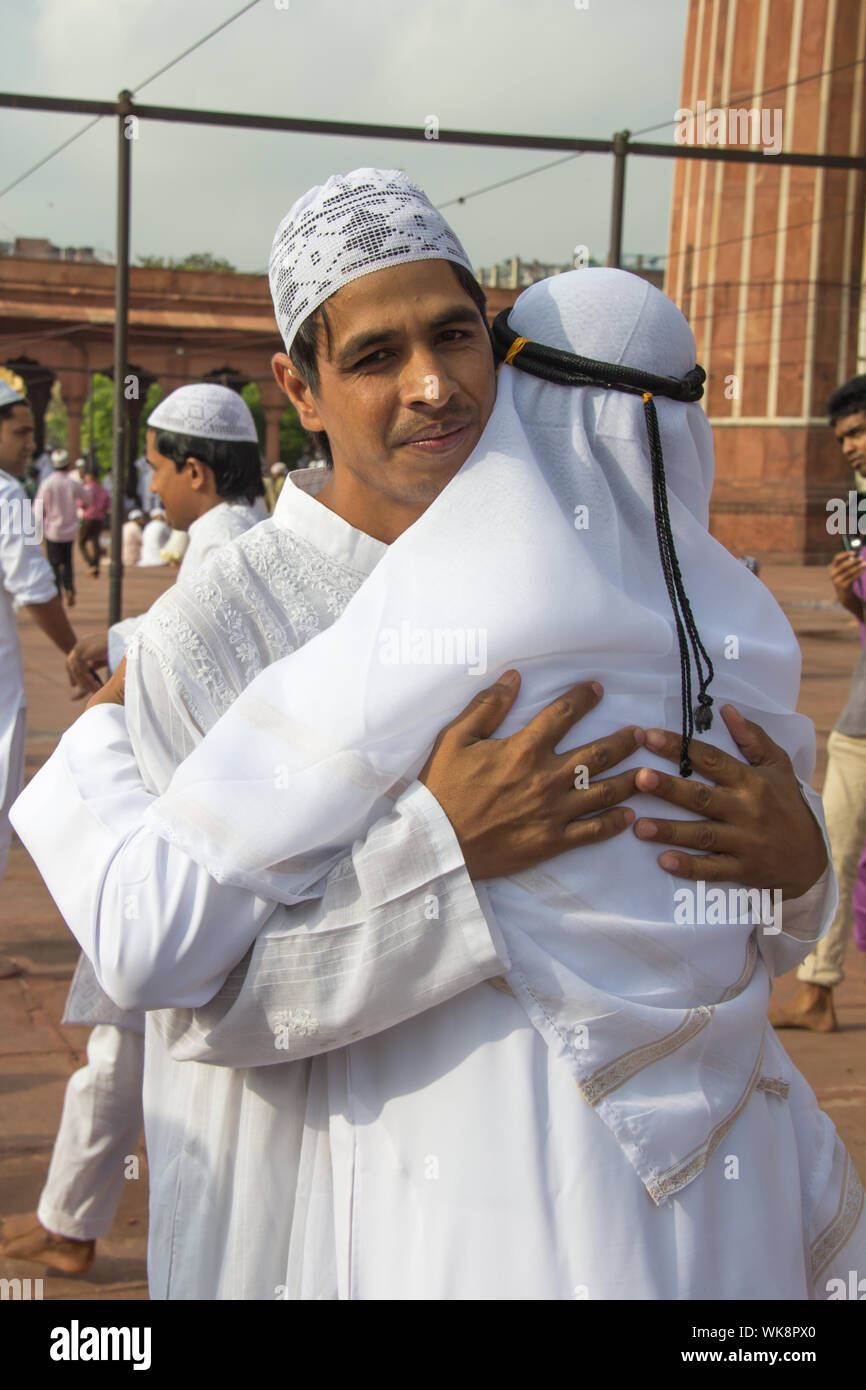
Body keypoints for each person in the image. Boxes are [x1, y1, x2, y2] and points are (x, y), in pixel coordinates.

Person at [9, 173, 855, 1299]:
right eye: (372, 357)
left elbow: (701, 935)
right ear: (298, 388)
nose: (429, 386)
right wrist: (441, 852)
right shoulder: (216, 628)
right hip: (294, 1191)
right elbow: (199, 997)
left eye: (454, 337)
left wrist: (797, 879)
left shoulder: (610, 590)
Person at [0, 386, 266, 1277]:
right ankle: (71, 1219)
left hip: (189, 829)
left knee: (130, 1031)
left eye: (155, 465)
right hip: (205, 827)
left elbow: (184, 653)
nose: (150, 483)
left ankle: (78, 1226)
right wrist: (113, 646)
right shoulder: (238, 540)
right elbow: (173, 634)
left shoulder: (230, 551)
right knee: (120, 1037)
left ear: (195, 470)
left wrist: (100, 704)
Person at [770, 374, 866, 1032]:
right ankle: (819, 989)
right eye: (844, 438)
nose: (852, 447)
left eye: (860, 431)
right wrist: (848, 599)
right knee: (834, 849)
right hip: (861, 725)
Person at [0, 381, 84, 980]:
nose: (32, 443)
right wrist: (75, 649)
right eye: (21, 431)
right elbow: (32, 585)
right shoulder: (7, 496)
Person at [36, 448, 84, 608]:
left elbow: (38, 509)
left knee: (54, 564)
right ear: (68, 464)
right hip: (69, 531)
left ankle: (57, 594)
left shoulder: (47, 483)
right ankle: (70, 588)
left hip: (53, 531)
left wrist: (36, 530)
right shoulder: (72, 483)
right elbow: (87, 497)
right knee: (68, 562)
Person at [77, 466, 110, 578]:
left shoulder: (86, 489)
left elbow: (80, 504)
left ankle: (91, 563)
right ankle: (95, 566)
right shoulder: (103, 490)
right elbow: (107, 505)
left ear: (89, 476)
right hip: (99, 518)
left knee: (81, 542)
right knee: (95, 542)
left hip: (88, 517)